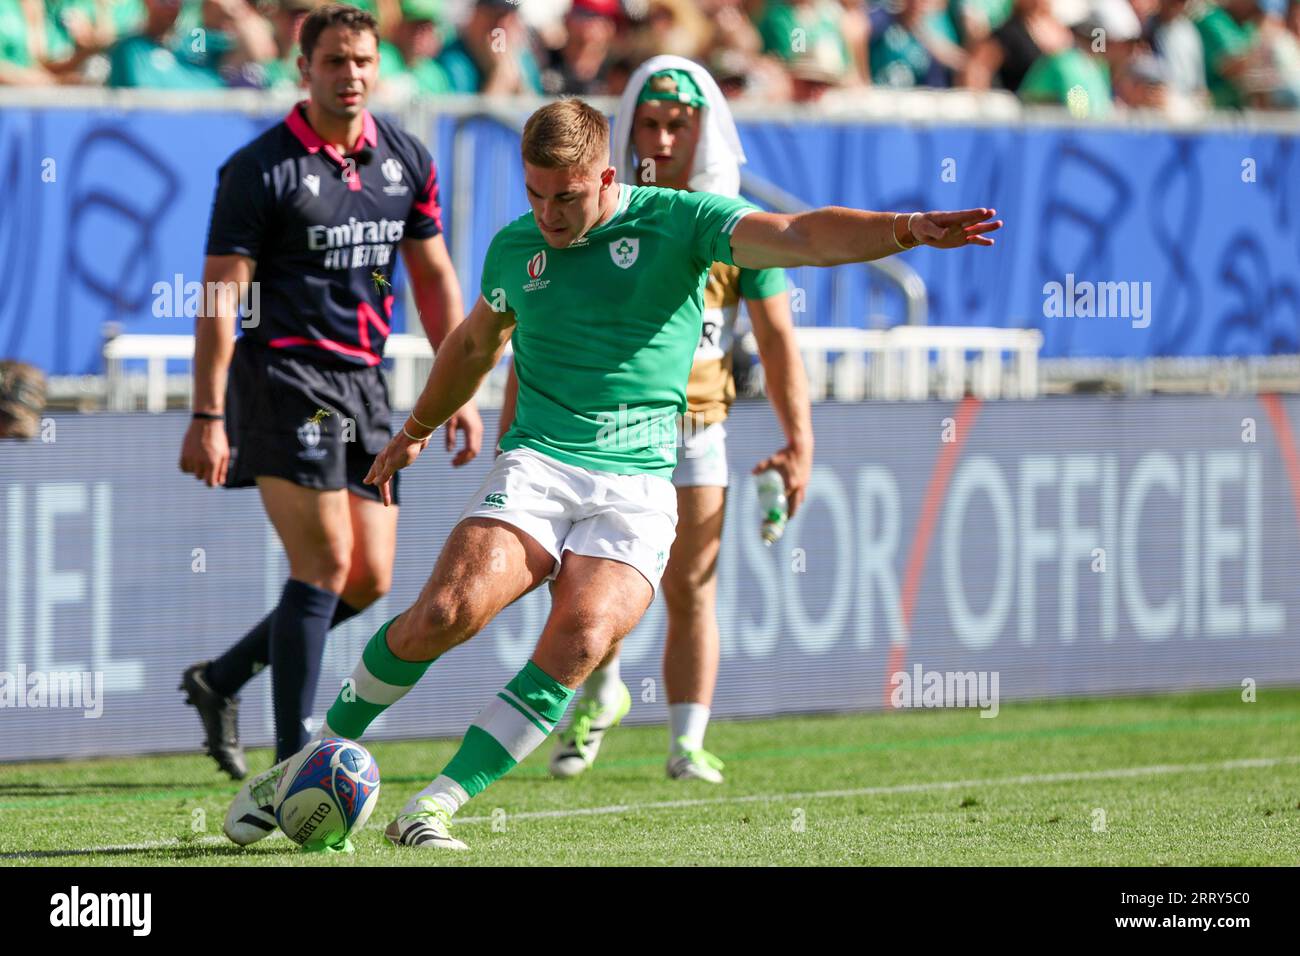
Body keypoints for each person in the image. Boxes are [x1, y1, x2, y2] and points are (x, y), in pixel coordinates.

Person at [223, 97, 1001, 852]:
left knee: (585, 634)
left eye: (564, 197)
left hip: (638, 484)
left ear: (605, 177)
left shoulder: (679, 221)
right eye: (533, 194)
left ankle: (436, 805)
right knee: (448, 611)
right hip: (539, 463)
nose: (548, 215)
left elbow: (798, 232)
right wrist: (417, 428)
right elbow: (470, 346)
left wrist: (906, 230)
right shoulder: (514, 247)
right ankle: (301, 767)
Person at [178, 3, 480, 790]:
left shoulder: (405, 158)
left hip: (366, 386)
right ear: (302, 66)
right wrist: (207, 414)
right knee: (324, 562)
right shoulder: (261, 169)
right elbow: (218, 300)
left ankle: (221, 678)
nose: (351, 75)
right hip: (284, 379)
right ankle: (291, 770)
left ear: (379, 68)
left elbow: (435, 278)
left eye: (363, 61)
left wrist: (462, 390)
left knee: (370, 579)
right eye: (335, 61)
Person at [492, 58, 812, 784]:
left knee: (692, 585)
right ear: (627, 126)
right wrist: (514, 430)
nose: (664, 138)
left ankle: (686, 739)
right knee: (574, 586)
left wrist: (802, 440)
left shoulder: (728, 224)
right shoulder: (587, 212)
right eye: (651, 123)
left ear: (707, 133)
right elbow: (538, 337)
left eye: (680, 125)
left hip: (694, 427)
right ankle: (599, 691)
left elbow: (777, 336)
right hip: (585, 432)